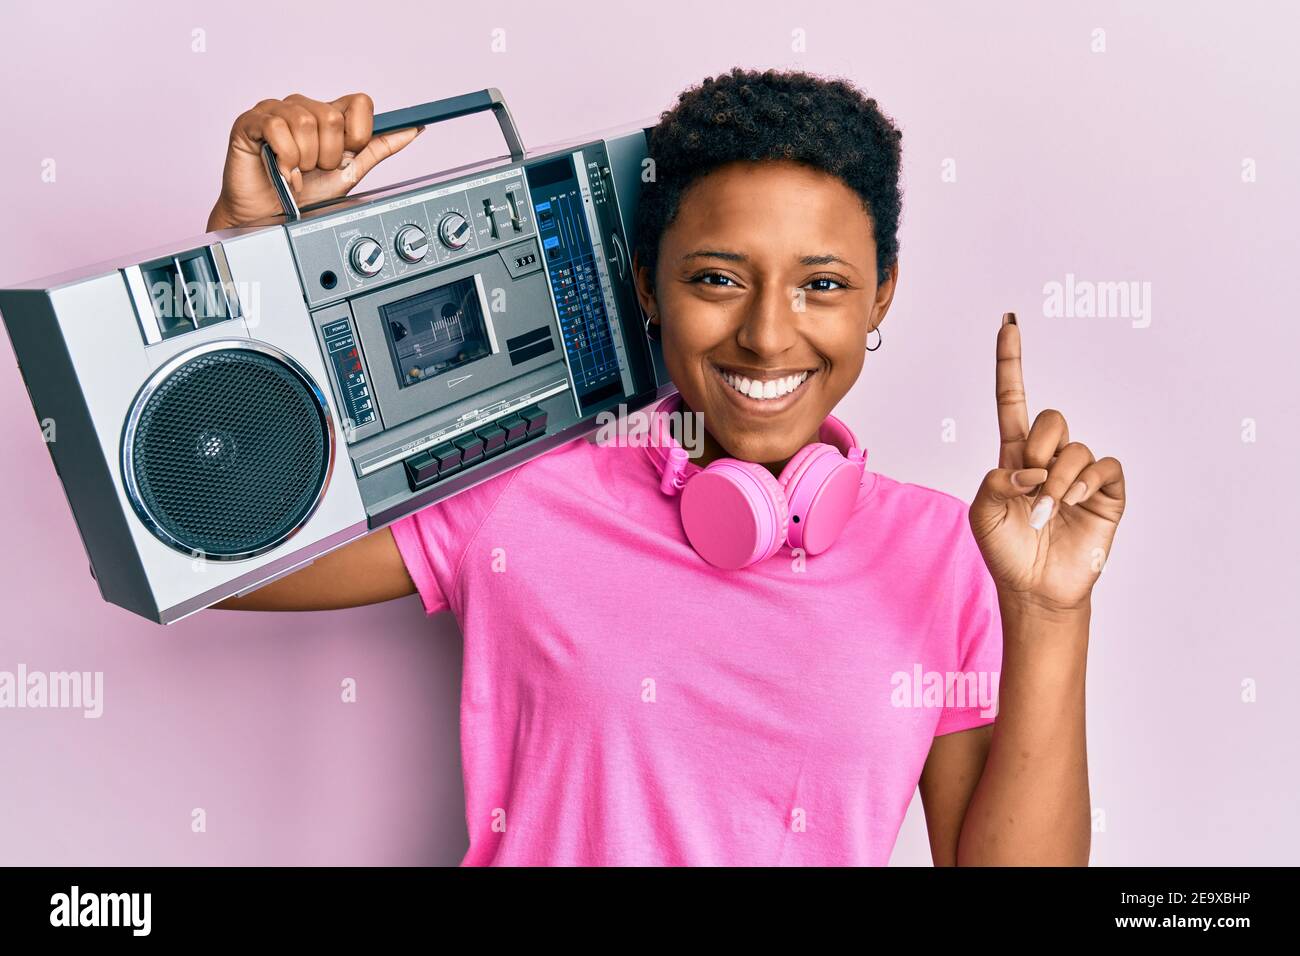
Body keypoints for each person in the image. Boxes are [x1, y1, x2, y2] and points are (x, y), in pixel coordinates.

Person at [209, 68, 1126, 866]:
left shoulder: (951, 550)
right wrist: (250, 266)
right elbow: (220, 555)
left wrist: (1049, 613)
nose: (768, 336)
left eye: (823, 284)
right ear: (647, 283)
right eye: (718, 279)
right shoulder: (524, 483)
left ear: (881, 290)